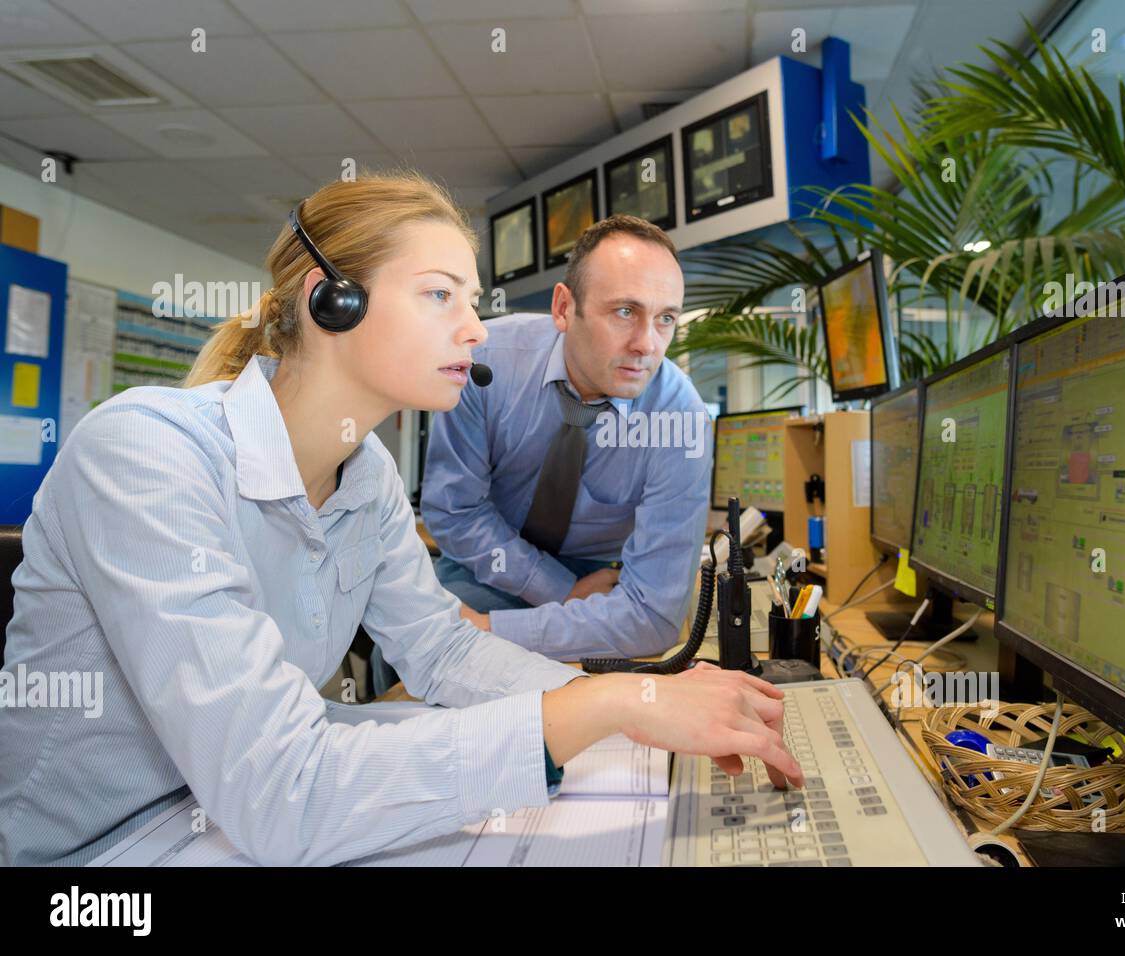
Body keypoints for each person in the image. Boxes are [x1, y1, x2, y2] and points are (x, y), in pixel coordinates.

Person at [0, 172, 802, 867]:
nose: (477, 329)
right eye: (438, 295)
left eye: (473, 301)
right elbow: (282, 792)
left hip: (225, 821)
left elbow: (444, 650)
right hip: (104, 852)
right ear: (332, 303)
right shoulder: (144, 453)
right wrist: (610, 706)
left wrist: (638, 698)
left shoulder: (367, 471)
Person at [393, 216, 709, 681]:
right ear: (564, 307)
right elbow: (454, 511)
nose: (647, 344)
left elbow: (653, 616)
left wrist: (489, 631)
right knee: (411, 658)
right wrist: (559, 590)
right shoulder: (486, 362)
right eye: (625, 311)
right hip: (490, 559)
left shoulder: (681, 420)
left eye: (666, 319)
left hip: (603, 579)